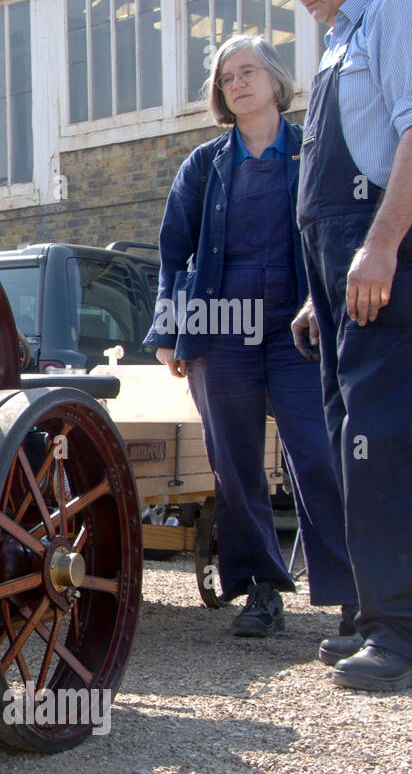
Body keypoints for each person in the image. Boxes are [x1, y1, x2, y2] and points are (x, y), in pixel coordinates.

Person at [143, 35, 356, 640]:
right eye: (226, 77)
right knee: (235, 465)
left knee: (317, 455)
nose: (237, 83)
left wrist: (326, 302)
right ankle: (261, 590)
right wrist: (171, 327)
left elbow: (332, 231)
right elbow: (172, 251)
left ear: (276, 81)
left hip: (298, 329)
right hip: (221, 329)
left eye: (249, 71)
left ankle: (349, 600)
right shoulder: (205, 164)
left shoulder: (311, 153)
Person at [286, 0, 412, 692]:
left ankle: (399, 632)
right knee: (349, 439)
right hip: (332, 268)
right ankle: (374, 615)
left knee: (382, 440)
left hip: (376, 258)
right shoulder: (338, 39)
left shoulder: (396, 8)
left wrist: (384, 243)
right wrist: (315, 292)